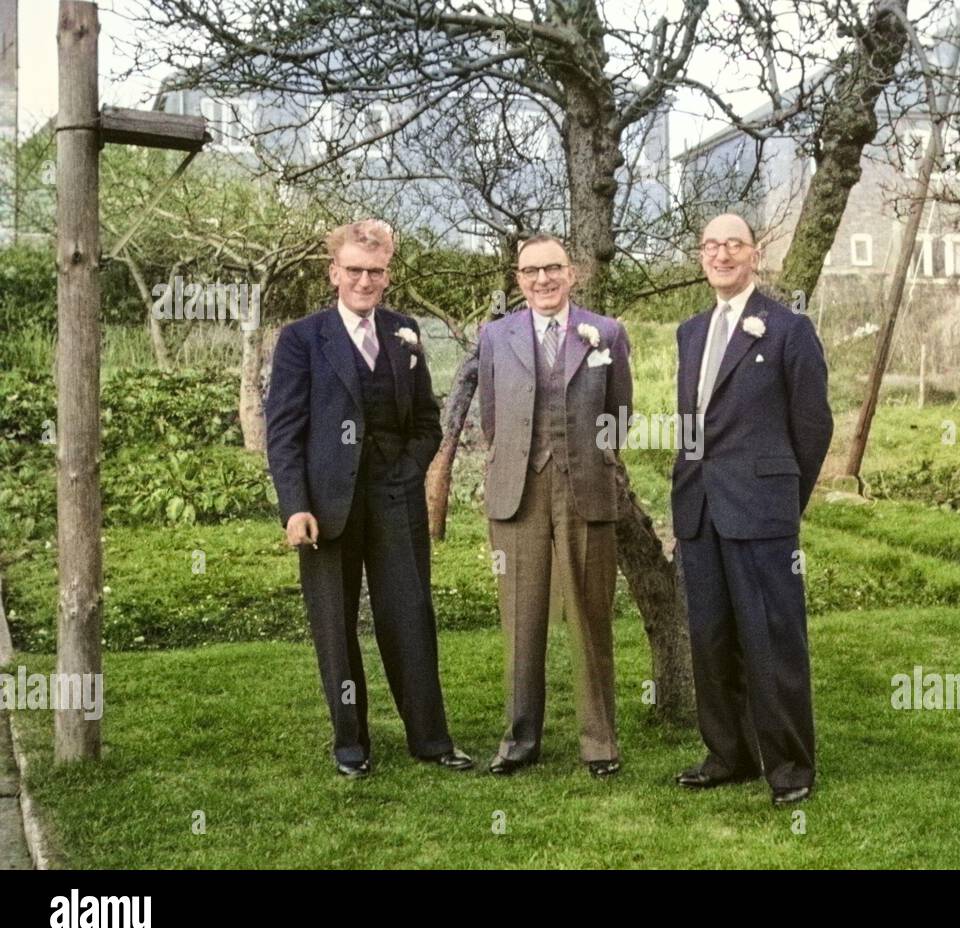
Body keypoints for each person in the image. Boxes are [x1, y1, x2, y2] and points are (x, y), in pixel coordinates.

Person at [265, 219, 472, 778]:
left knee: (410, 616)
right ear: (334, 272)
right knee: (335, 625)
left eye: (375, 272)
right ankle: (350, 743)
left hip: (395, 499)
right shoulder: (302, 339)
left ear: (387, 275)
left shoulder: (405, 332)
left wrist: (408, 470)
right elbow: (282, 431)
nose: (364, 280)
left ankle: (431, 739)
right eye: (353, 270)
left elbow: (428, 420)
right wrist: (295, 506)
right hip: (326, 508)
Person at [671, 212, 833, 806]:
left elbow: (813, 425)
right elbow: (692, 424)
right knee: (711, 638)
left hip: (762, 511)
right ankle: (727, 754)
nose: (721, 255)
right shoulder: (690, 332)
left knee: (773, 639)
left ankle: (790, 766)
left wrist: (785, 498)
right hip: (700, 510)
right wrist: (683, 496)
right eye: (711, 246)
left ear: (754, 255)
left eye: (733, 245)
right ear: (701, 257)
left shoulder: (789, 329)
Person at [477, 233, 633, 778]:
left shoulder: (606, 332)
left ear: (573, 274)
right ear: (518, 280)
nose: (542, 279)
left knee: (590, 617)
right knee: (522, 618)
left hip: (585, 488)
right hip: (516, 489)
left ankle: (599, 743)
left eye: (552, 269)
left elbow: (619, 414)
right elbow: (491, 416)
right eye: (530, 271)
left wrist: (591, 458)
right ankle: (521, 740)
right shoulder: (495, 335)